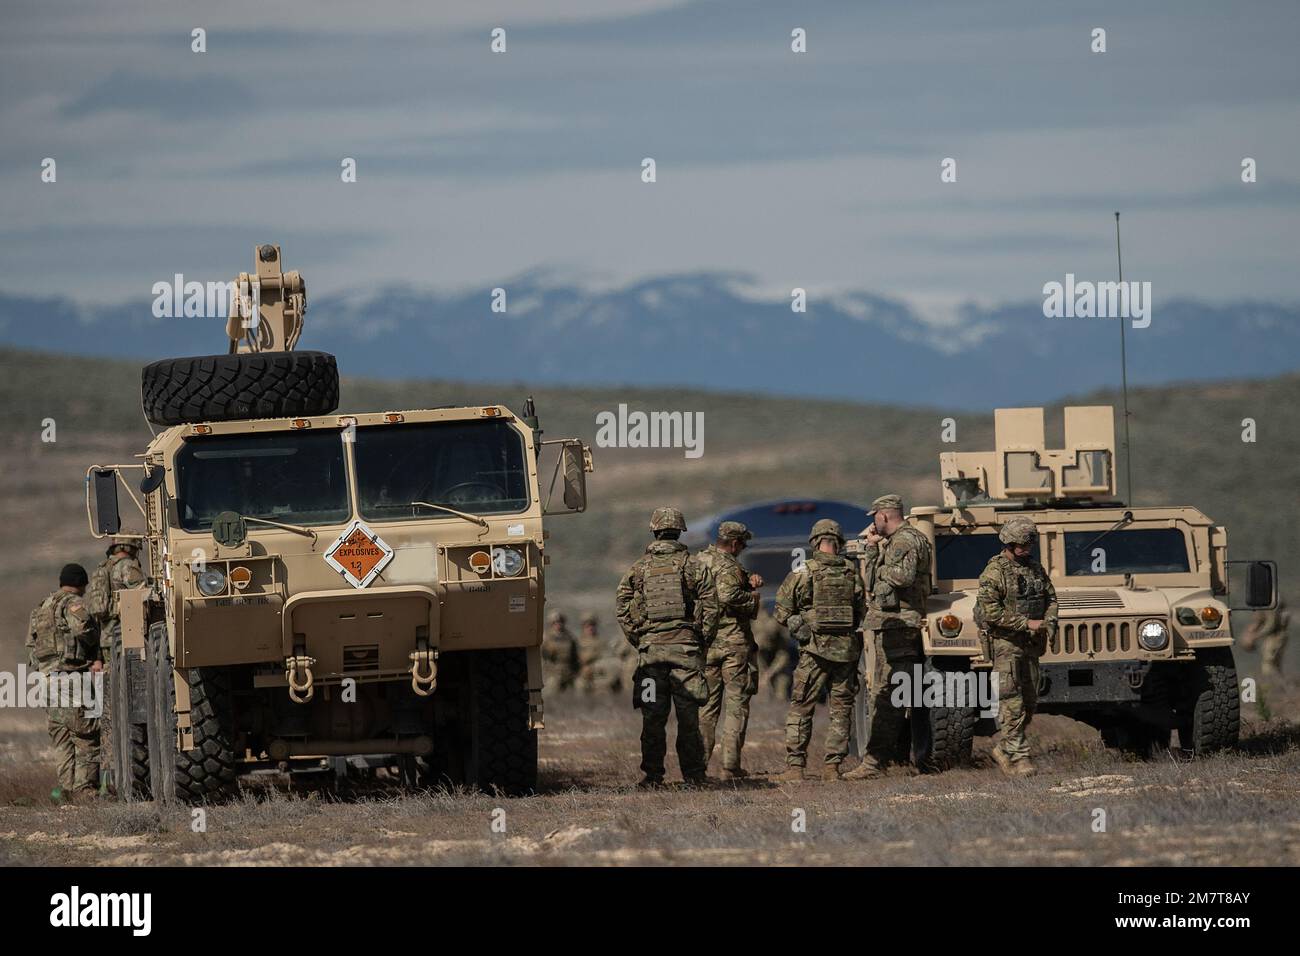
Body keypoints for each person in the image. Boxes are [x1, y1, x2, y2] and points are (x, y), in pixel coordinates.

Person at [615, 507, 719, 787]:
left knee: (652, 719)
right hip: (686, 655)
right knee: (689, 720)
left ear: (654, 530)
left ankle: (652, 776)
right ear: (680, 531)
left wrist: (640, 640)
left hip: (651, 659)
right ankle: (694, 776)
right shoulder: (694, 566)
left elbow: (622, 608)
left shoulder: (638, 569)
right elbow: (711, 606)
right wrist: (701, 641)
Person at [844, 494, 932, 780]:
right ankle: (891, 756)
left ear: (884, 515)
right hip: (890, 623)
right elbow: (873, 582)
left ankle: (875, 762)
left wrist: (878, 562)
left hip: (899, 624)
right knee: (894, 692)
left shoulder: (906, 540)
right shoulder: (894, 542)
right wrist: (872, 550)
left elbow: (902, 577)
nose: (873, 523)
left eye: (875, 518)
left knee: (889, 693)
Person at [774, 519, 866, 782]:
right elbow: (860, 611)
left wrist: (800, 627)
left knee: (801, 707)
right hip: (846, 652)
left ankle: (795, 768)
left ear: (815, 542)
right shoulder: (852, 572)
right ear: (838, 541)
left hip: (814, 652)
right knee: (841, 710)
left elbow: (781, 610)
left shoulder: (803, 571)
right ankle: (832, 768)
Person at [976, 516, 1057, 777]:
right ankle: (1021, 758)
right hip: (1005, 645)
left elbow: (1051, 598)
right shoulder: (994, 572)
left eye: (1029, 545)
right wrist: (1026, 623)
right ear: (1008, 544)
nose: (1026, 549)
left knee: (1030, 703)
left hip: (1031, 647)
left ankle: (1003, 747)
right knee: (1011, 701)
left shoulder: (1035, 569)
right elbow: (991, 613)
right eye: (1021, 545)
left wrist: (1050, 620)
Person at [26, 564, 103, 802]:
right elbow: (83, 628)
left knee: (61, 736)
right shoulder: (73, 604)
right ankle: (85, 790)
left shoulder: (41, 607)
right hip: (70, 677)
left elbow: (31, 647)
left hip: (46, 680)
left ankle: (66, 790)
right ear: (81, 583)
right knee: (86, 733)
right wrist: (96, 645)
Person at [696, 521, 763, 780]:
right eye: (743, 544)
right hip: (733, 645)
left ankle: (698, 767)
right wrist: (752, 599)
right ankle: (730, 766)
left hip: (707, 645)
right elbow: (726, 595)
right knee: (736, 705)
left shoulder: (700, 561)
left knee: (707, 708)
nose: (743, 548)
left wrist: (748, 581)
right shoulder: (729, 566)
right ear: (734, 544)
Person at [1242, 599, 1290, 677]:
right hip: (1274, 635)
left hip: (1277, 634)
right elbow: (1260, 619)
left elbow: (1271, 624)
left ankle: (1272, 684)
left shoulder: (1270, 601)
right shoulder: (1263, 602)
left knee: (1269, 663)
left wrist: (1256, 635)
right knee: (1271, 663)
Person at [753, 606, 793, 699]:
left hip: (776, 664)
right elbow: (755, 654)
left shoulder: (781, 637)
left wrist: (768, 674)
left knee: (782, 681)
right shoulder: (758, 636)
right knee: (758, 686)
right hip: (760, 661)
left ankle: (780, 705)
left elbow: (783, 658)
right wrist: (762, 675)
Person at [541, 610, 580, 695]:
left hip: (568, 673)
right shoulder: (546, 637)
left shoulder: (570, 637)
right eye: (555, 622)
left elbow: (575, 657)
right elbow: (543, 656)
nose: (558, 624)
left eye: (560, 622)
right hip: (552, 674)